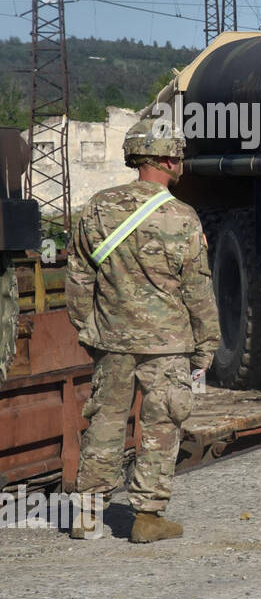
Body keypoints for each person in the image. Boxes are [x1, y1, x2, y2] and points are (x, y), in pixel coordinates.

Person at [65, 120, 219, 542]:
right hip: (167, 345)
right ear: (169, 159)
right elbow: (197, 289)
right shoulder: (181, 217)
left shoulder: (97, 207)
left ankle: (89, 514)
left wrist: (88, 327)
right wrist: (206, 345)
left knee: (105, 421)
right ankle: (148, 518)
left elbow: (79, 277)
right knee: (162, 423)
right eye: (179, 155)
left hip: (112, 340)